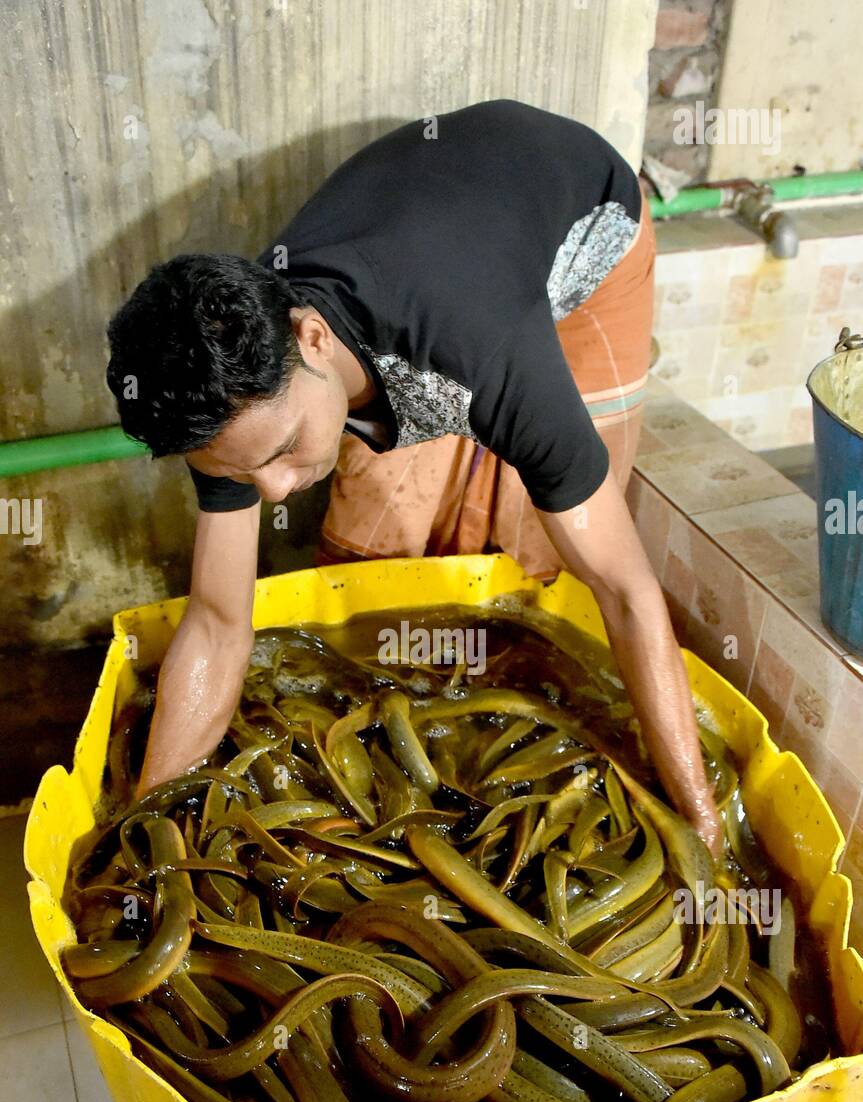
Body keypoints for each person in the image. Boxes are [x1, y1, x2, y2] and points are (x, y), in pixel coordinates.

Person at [106, 98, 721, 854]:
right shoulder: (231, 389)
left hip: (585, 233)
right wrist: (144, 826)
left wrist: (702, 823)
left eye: (284, 449)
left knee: (540, 546)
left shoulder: (479, 349)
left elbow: (627, 594)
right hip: (438, 246)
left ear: (313, 337)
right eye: (245, 470)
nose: (272, 491)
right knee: (377, 540)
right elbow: (217, 620)